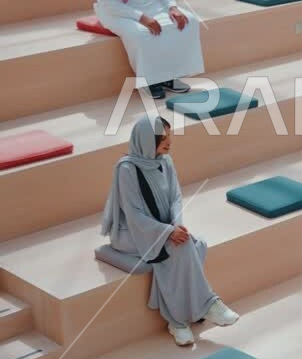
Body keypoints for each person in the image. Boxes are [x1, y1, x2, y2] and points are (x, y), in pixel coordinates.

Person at [99, 115, 238, 346]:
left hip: (161, 228)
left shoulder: (165, 161)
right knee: (182, 249)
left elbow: (175, 197)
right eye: (162, 138)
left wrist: (175, 226)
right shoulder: (127, 169)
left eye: (169, 135)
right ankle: (203, 307)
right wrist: (166, 233)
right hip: (131, 234)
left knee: (194, 244)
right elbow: (134, 215)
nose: (168, 142)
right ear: (145, 140)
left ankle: (178, 322)